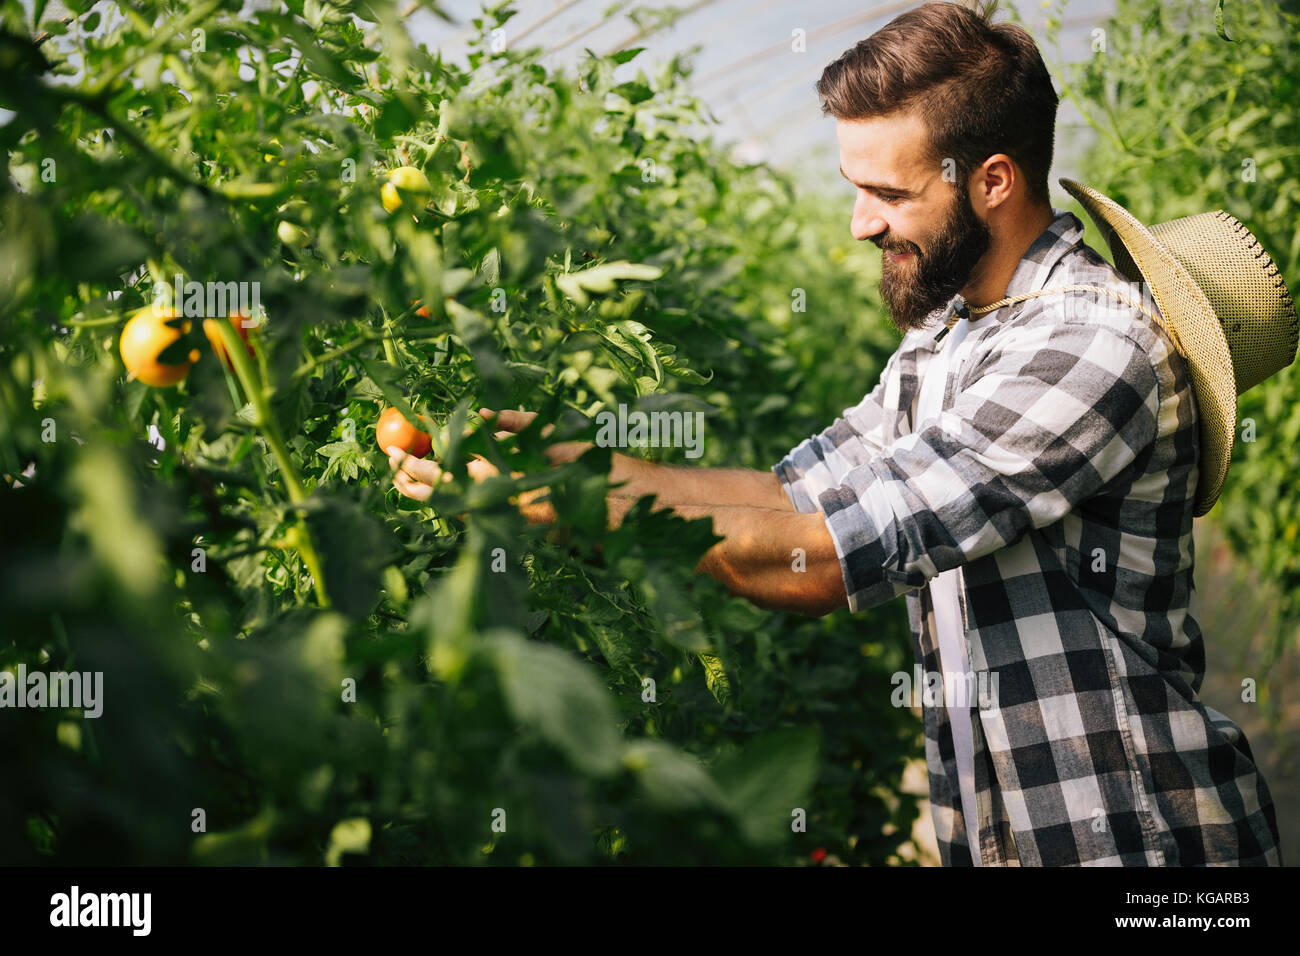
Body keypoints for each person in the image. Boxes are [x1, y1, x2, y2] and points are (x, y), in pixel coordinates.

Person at [389, 1, 1293, 866]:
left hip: (1132, 839)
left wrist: (562, 505)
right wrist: (556, 455)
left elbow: (816, 557)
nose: (861, 223)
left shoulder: (1093, 345)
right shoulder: (956, 331)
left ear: (992, 181)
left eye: (886, 193)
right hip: (1003, 829)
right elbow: (791, 498)